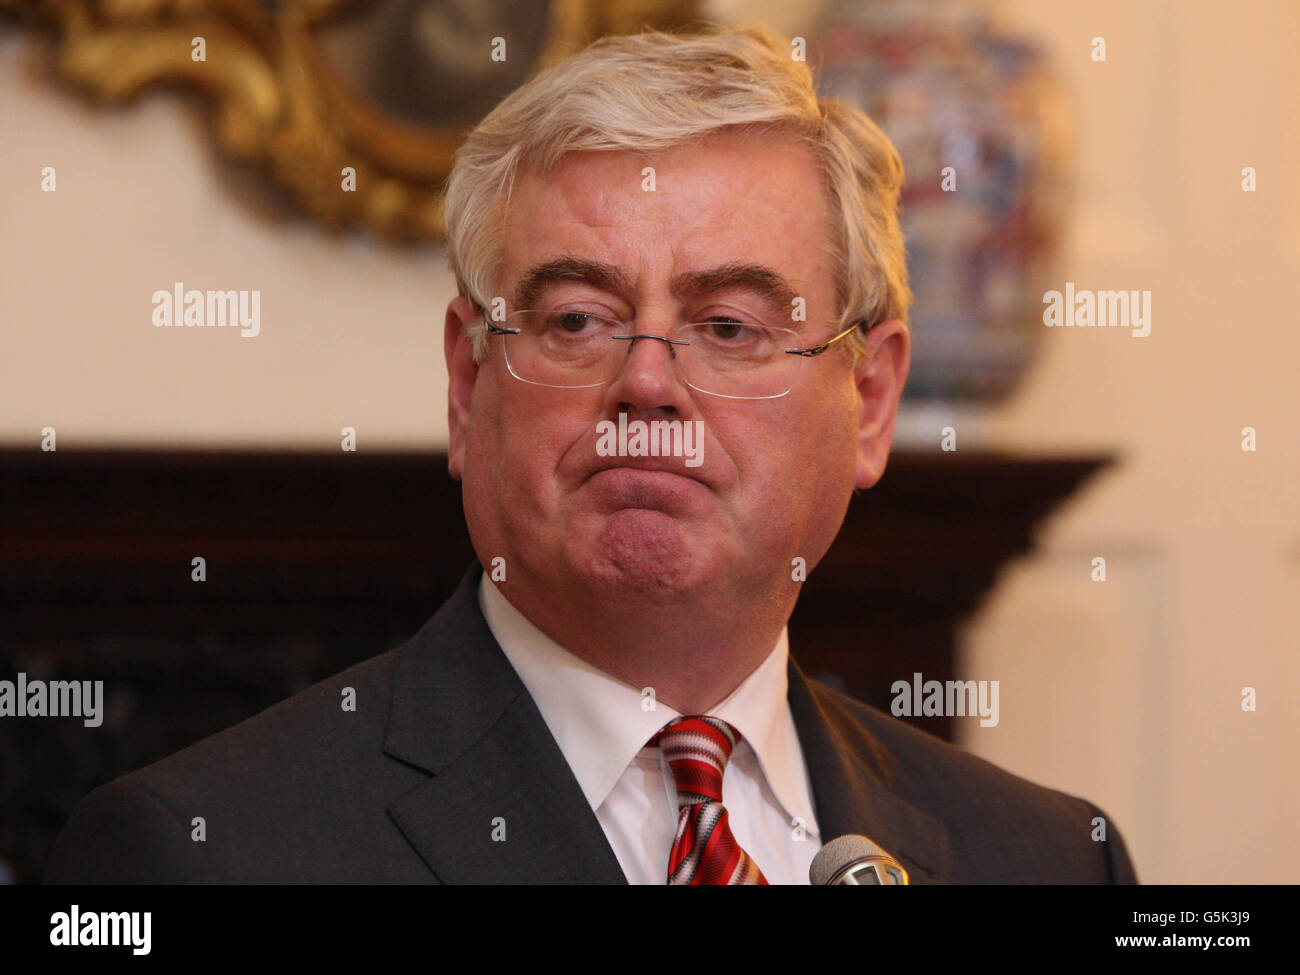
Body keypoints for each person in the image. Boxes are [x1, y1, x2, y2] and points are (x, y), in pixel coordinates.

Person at [45, 24, 1137, 884]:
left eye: (728, 327)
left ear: (868, 400)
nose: (647, 382)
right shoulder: (199, 852)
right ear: (469, 385)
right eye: (576, 320)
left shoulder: (1046, 858)